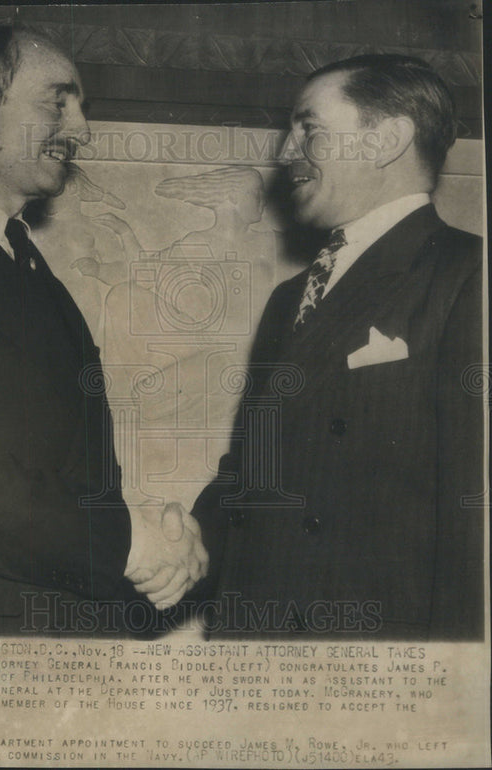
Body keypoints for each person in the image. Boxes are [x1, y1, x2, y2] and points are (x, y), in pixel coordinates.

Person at [0, 24, 207, 635]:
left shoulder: (37, 274)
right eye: (57, 101)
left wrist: (148, 542)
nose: (82, 128)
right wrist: (121, 542)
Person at [192, 54, 484, 640]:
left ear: (386, 140)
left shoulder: (471, 273)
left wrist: (457, 684)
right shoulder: (288, 298)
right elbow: (254, 470)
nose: (284, 151)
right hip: (254, 639)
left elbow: (474, 516)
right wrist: (180, 544)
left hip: (374, 654)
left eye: (310, 129)